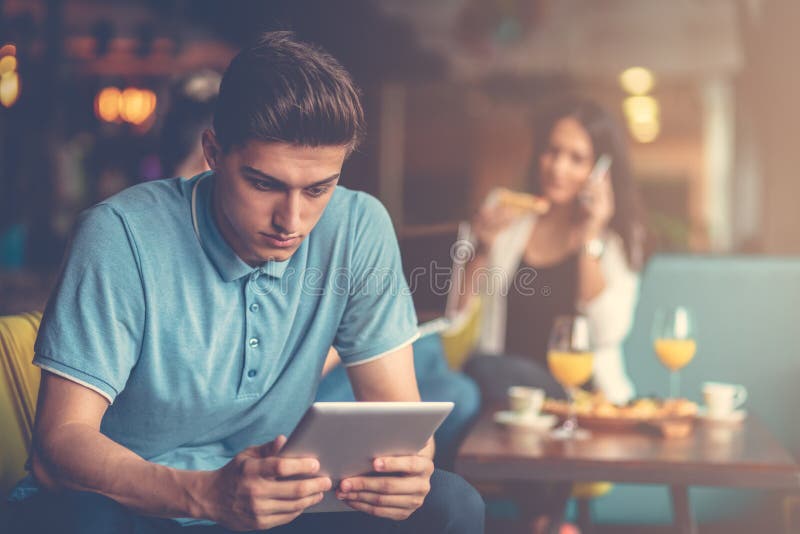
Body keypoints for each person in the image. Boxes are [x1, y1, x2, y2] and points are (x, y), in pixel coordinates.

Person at [8, 32, 484, 534]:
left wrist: (405, 472)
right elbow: (58, 445)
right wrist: (205, 495)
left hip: (272, 507)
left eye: (319, 188)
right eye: (264, 184)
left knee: (450, 503)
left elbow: (399, 421)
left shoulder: (358, 225)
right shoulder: (119, 235)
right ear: (213, 153)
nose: (292, 221)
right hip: (139, 504)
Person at [461, 97, 646, 533]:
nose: (558, 167)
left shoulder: (619, 241)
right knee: (489, 373)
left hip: (576, 393)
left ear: (601, 169)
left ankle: (541, 521)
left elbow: (606, 332)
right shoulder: (513, 224)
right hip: (505, 389)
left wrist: (590, 237)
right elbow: (460, 311)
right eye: (552, 150)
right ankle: (550, 523)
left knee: (533, 402)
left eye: (576, 158)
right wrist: (482, 245)